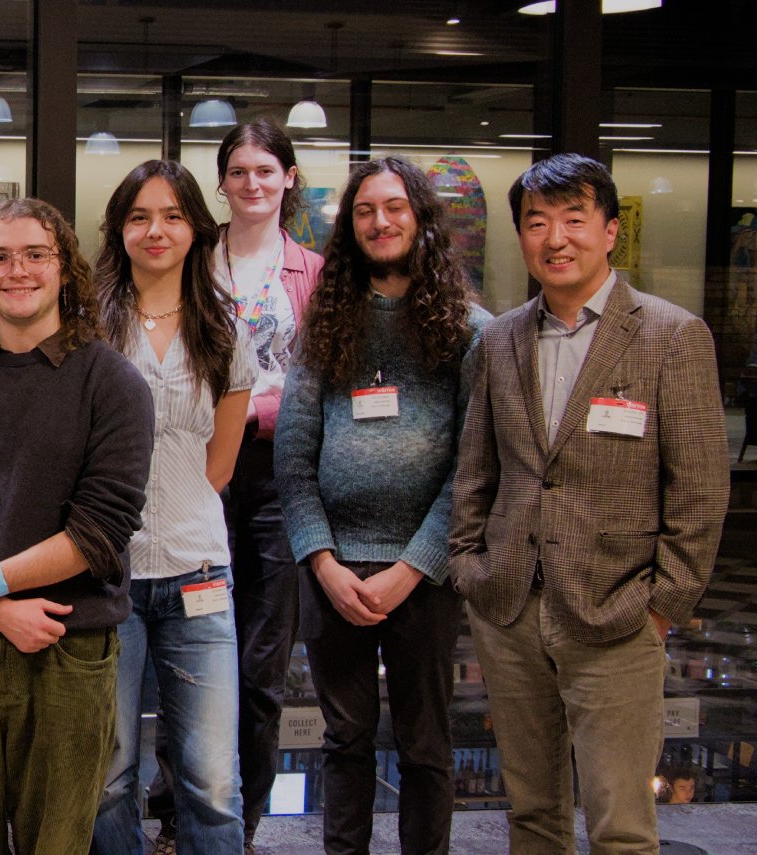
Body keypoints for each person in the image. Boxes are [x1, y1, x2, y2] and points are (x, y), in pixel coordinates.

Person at [451, 152, 728, 854]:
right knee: (533, 814)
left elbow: (699, 488)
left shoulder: (671, 335)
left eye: (575, 219)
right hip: (511, 608)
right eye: (537, 222)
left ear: (610, 231)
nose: (556, 237)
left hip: (618, 613)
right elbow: (477, 468)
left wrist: (662, 605)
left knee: (621, 826)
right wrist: (471, 567)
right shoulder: (501, 338)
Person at [0, 197, 152, 855]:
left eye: (35, 254)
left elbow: (100, 530)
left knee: (57, 843)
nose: (18, 270)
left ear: (64, 267)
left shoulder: (114, 385)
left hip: (67, 649)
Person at [274, 156, 491, 855]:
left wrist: (413, 565)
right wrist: (324, 560)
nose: (380, 221)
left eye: (395, 207)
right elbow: (294, 458)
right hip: (332, 569)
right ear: (350, 227)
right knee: (345, 741)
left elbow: (471, 467)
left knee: (427, 744)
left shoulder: (469, 331)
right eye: (365, 210)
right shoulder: (327, 322)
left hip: (423, 575)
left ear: (421, 218)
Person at [87, 160, 253, 855]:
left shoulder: (224, 332)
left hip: (197, 569)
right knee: (107, 773)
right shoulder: (85, 326)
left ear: (196, 228)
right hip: (104, 572)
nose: (156, 230)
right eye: (139, 216)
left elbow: (220, 465)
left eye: (172, 216)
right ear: (120, 229)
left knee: (211, 778)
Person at [211, 118, 323, 848]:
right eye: (239, 170)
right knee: (189, 644)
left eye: (266, 170)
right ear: (221, 182)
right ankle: (181, 805)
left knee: (260, 663)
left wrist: (255, 408)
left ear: (288, 178)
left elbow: (323, 381)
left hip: (281, 475)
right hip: (200, 471)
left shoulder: (312, 272)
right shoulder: (194, 262)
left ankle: (242, 818)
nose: (252, 183)